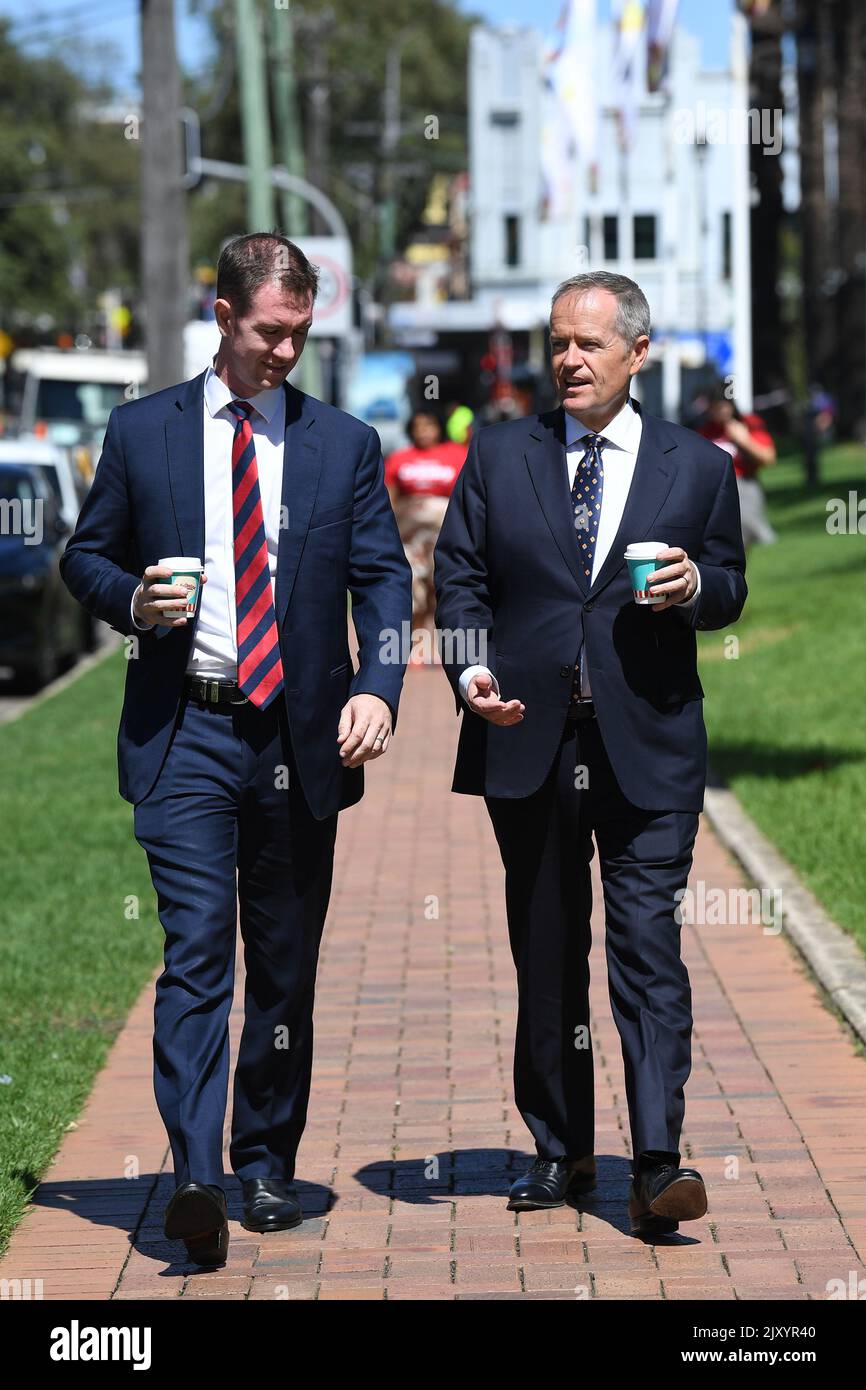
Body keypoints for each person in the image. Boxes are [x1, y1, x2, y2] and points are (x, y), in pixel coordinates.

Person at [60, 233, 412, 1266]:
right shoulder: (141, 432)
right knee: (199, 951)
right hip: (186, 731)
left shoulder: (341, 443)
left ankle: (263, 1160)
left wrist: (378, 686)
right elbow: (87, 554)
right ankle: (196, 1174)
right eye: (269, 331)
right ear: (220, 315)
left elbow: (384, 582)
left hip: (298, 742)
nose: (286, 351)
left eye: (301, 333)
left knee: (286, 967)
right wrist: (129, 598)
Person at [434, 271, 747, 1238]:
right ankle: (559, 1149)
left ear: (637, 353)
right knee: (546, 948)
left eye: (588, 345)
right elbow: (460, 578)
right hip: (526, 736)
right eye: (557, 342)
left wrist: (697, 586)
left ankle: (658, 1162)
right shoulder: (497, 454)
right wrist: (469, 669)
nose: (567, 360)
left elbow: (731, 584)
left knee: (647, 949)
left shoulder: (698, 466)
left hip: (648, 743)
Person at [384, 410, 465, 662]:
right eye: (418, 426)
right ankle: (417, 649)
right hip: (410, 536)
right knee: (414, 591)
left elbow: (465, 495)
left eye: (428, 424)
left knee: (438, 590)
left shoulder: (456, 455)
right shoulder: (400, 459)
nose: (423, 431)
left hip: (445, 535)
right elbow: (389, 495)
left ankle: (444, 651)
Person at [697, 387, 777, 547]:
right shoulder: (704, 431)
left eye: (724, 406)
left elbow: (769, 458)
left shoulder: (748, 423)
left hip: (744, 485)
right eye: (716, 407)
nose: (721, 411)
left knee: (743, 535)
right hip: (715, 488)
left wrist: (744, 440)